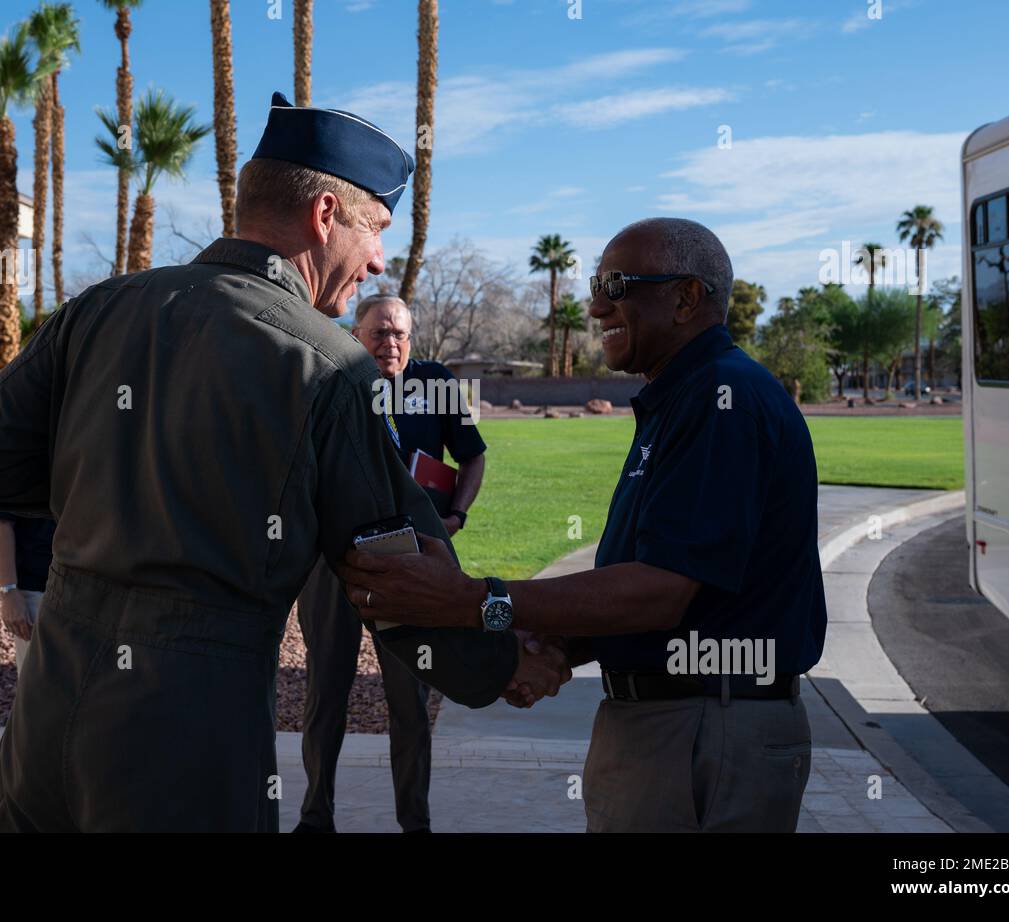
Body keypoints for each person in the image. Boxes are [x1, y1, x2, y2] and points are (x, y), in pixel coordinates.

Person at [0, 91, 567, 832]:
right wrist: (502, 662)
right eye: (376, 229)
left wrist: (115, 496)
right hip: (188, 738)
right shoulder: (331, 367)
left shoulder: (100, 306)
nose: (377, 260)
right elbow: (392, 575)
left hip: (42, 722)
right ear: (325, 214)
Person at [336, 217, 827, 833]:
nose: (596, 307)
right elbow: (678, 593)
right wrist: (562, 645)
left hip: (702, 728)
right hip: (676, 722)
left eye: (617, 285)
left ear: (686, 297)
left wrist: (474, 602)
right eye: (598, 284)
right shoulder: (684, 397)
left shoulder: (721, 397)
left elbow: (662, 590)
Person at [295, 295, 486, 834]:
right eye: (379, 333)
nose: (391, 344)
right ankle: (315, 816)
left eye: (400, 334)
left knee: (410, 695)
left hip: (410, 561)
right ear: (355, 335)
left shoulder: (436, 383)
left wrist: (457, 515)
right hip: (336, 560)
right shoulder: (331, 381)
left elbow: (473, 454)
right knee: (326, 690)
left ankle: (415, 822)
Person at [0, 508, 56, 672]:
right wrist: (8, 591)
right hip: (37, 592)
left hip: (89, 593)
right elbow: (1, 520)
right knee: (40, 687)